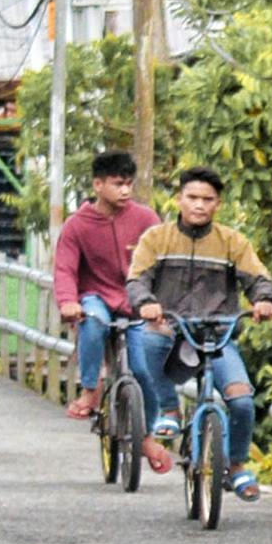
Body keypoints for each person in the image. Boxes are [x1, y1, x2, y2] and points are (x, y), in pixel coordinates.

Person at [125, 166, 272, 500]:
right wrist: (147, 303)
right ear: (179, 199)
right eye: (192, 197)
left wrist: (264, 300)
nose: (199, 205)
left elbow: (258, 277)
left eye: (207, 200)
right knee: (147, 342)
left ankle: (236, 466)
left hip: (217, 334)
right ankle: (169, 409)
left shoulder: (232, 242)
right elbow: (137, 279)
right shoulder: (157, 239)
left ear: (217, 204)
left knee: (241, 401)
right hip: (171, 329)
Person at [51, 148, 170, 471]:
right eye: (118, 184)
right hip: (95, 297)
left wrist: (161, 303)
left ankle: (146, 434)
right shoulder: (77, 226)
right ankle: (91, 388)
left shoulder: (146, 219)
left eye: (129, 184)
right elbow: (64, 269)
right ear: (98, 185)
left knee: (144, 371)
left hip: (136, 305)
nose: (125, 191)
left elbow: (163, 264)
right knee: (93, 322)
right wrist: (67, 302)